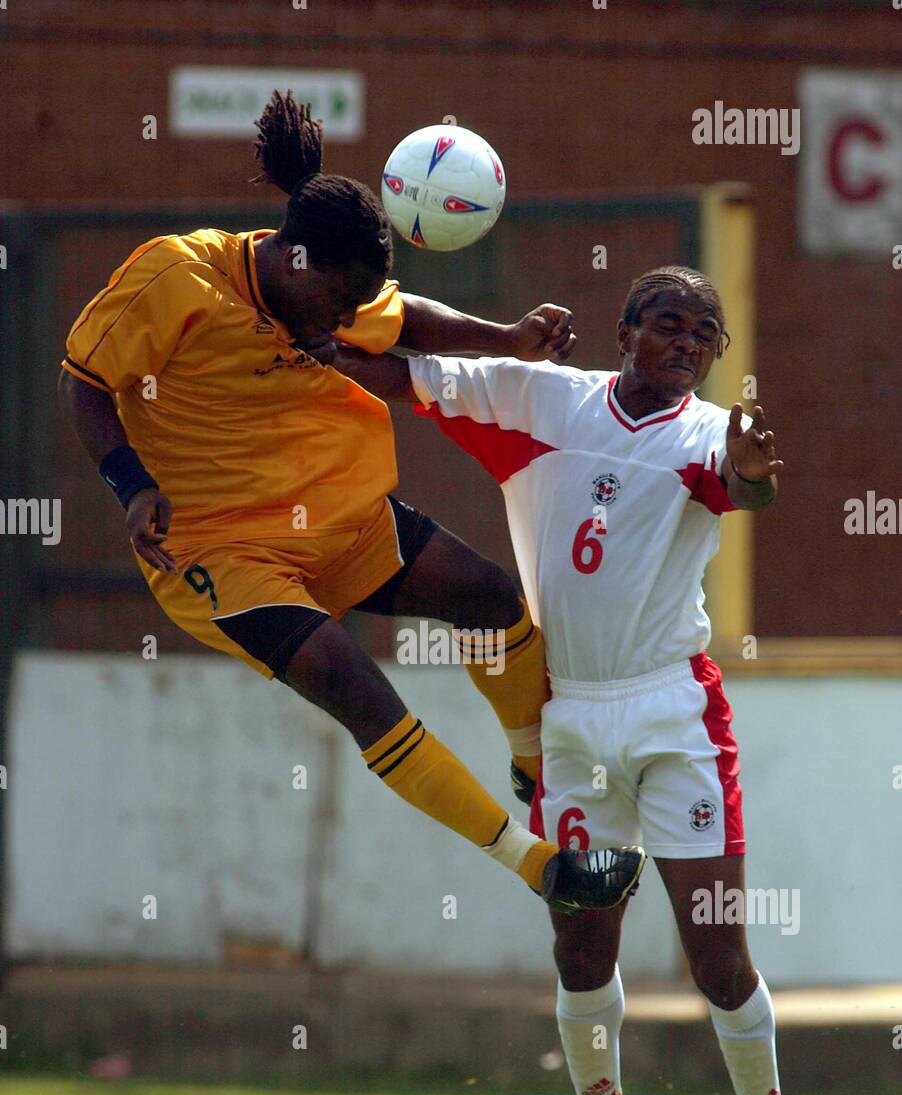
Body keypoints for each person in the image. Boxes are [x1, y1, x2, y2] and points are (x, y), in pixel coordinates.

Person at [317, 265, 809, 1095]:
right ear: (624, 331)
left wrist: (757, 470)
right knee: (580, 948)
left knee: (717, 958)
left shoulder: (705, 436)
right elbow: (399, 375)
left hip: (673, 711)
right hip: (568, 720)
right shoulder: (540, 397)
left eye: (702, 335)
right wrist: (304, 332)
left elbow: (746, 484)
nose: (685, 344)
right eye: (667, 324)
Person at [57, 91, 644, 918]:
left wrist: (507, 339)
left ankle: (528, 763)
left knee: (493, 600)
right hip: (219, 553)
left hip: (339, 517)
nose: (344, 321)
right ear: (294, 261)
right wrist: (131, 483)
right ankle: (541, 867)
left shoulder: (333, 285)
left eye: (352, 305)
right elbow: (83, 383)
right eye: (337, 302)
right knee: (361, 689)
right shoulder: (175, 277)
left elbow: (406, 320)